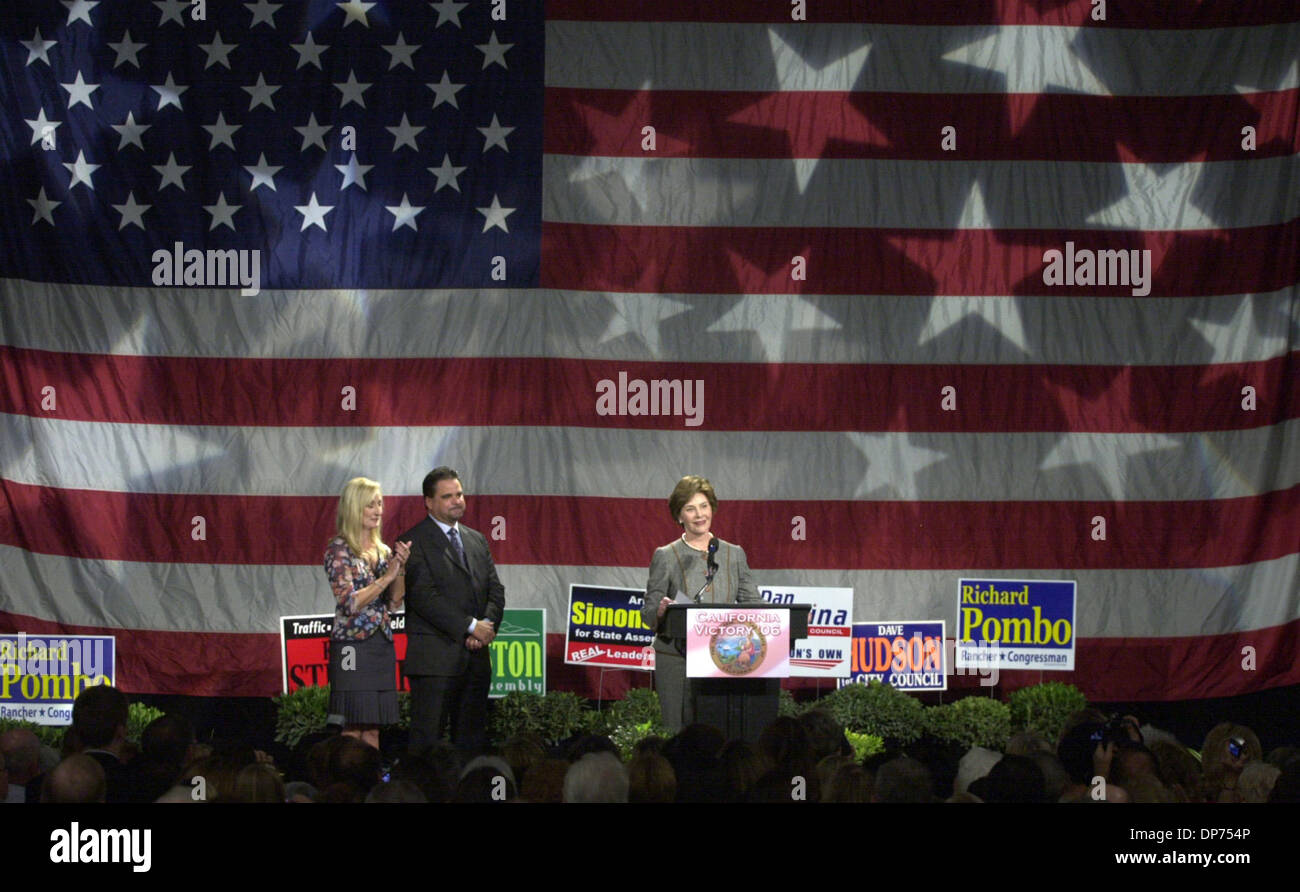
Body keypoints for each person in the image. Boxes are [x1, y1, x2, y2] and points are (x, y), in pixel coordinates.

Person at [640, 475, 760, 732]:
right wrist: (660, 610)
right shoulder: (666, 555)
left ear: (712, 509)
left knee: (719, 731)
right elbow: (648, 615)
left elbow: (754, 604)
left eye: (704, 506)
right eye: (690, 508)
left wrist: (786, 620)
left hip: (724, 657)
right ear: (679, 516)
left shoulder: (733, 554)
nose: (699, 515)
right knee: (679, 735)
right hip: (676, 657)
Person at [400, 467, 506, 755]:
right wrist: (470, 627)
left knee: (470, 744)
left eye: (459, 494)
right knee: (426, 744)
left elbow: (495, 590)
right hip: (435, 662)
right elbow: (424, 597)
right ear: (429, 502)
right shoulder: (412, 541)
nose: (457, 500)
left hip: (475, 660)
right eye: (447, 496)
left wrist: (485, 625)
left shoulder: (476, 539)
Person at [325, 477, 411, 750]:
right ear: (354, 508)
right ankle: (346, 786)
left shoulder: (384, 551)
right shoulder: (339, 549)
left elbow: (394, 602)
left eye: (380, 504)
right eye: (370, 505)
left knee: (372, 729)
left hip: (380, 644)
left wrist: (400, 568)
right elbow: (349, 602)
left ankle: (370, 784)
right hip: (352, 646)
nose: (378, 511)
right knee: (351, 727)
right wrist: (385, 578)